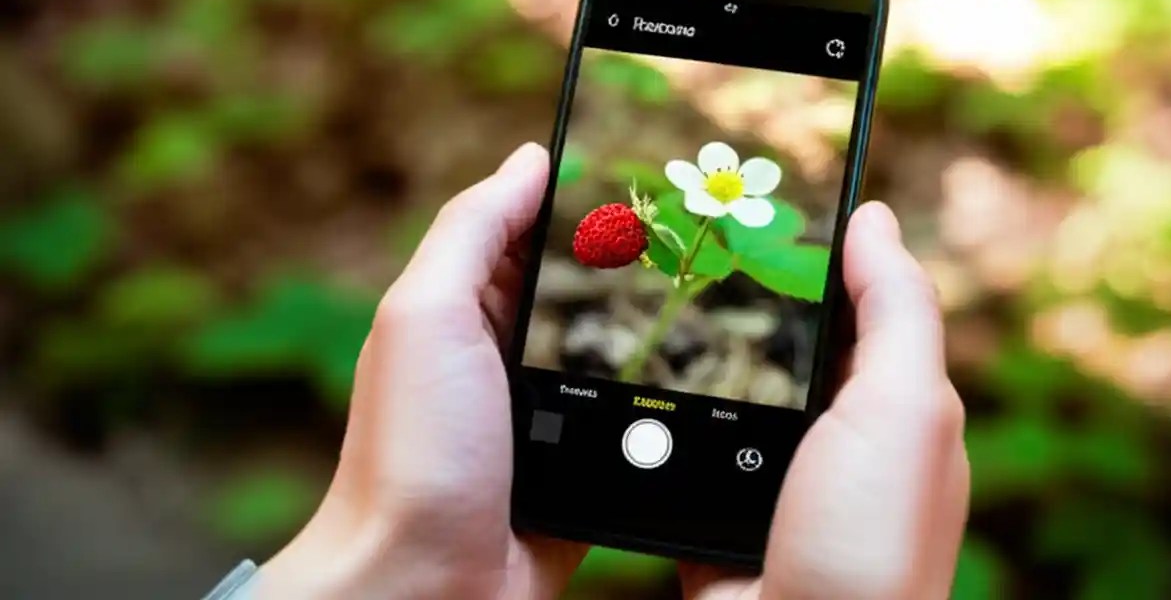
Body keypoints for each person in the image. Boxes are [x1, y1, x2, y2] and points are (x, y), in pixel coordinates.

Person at [204, 143, 969, 599]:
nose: (726, 186)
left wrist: (394, 568)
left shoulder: (729, 223)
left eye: (732, 185)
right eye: (720, 182)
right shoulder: (689, 216)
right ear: (708, 185)